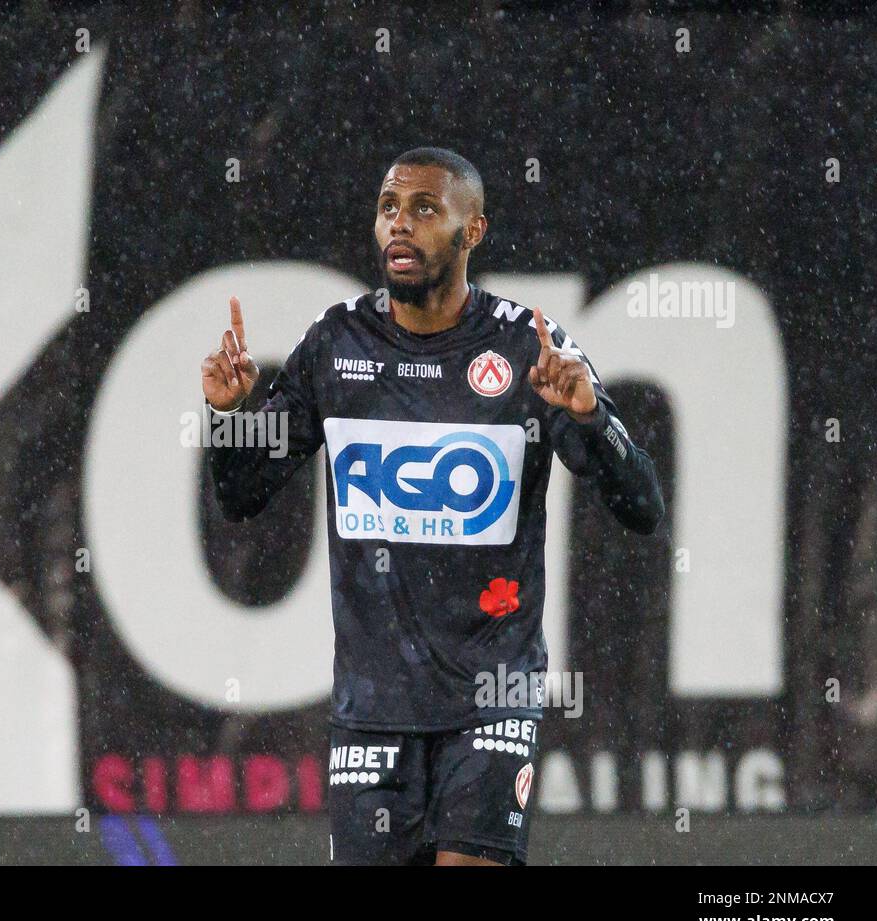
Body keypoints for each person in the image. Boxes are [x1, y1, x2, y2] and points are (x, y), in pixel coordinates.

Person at [200, 147, 664, 865]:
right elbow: (239, 496)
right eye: (389, 207)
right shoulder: (335, 344)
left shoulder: (527, 349)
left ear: (472, 231)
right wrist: (230, 415)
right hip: (372, 707)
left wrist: (592, 417)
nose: (400, 226)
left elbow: (643, 508)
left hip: (492, 696)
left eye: (424, 209)